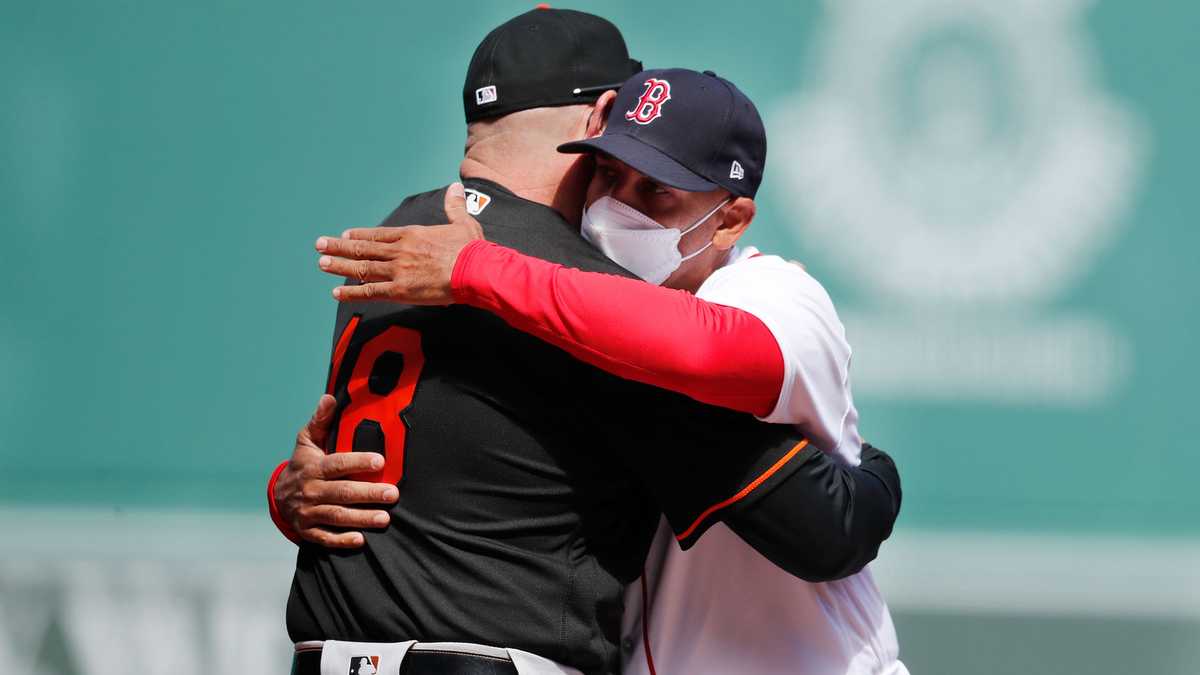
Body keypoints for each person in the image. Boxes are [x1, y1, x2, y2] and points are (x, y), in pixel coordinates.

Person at [272, 10, 900, 675]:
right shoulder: (565, 293)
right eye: (611, 170)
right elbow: (827, 524)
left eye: (654, 186)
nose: (621, 204)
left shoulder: (401, 242)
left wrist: (285, 488)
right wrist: (875, 479)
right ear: (599, 117)